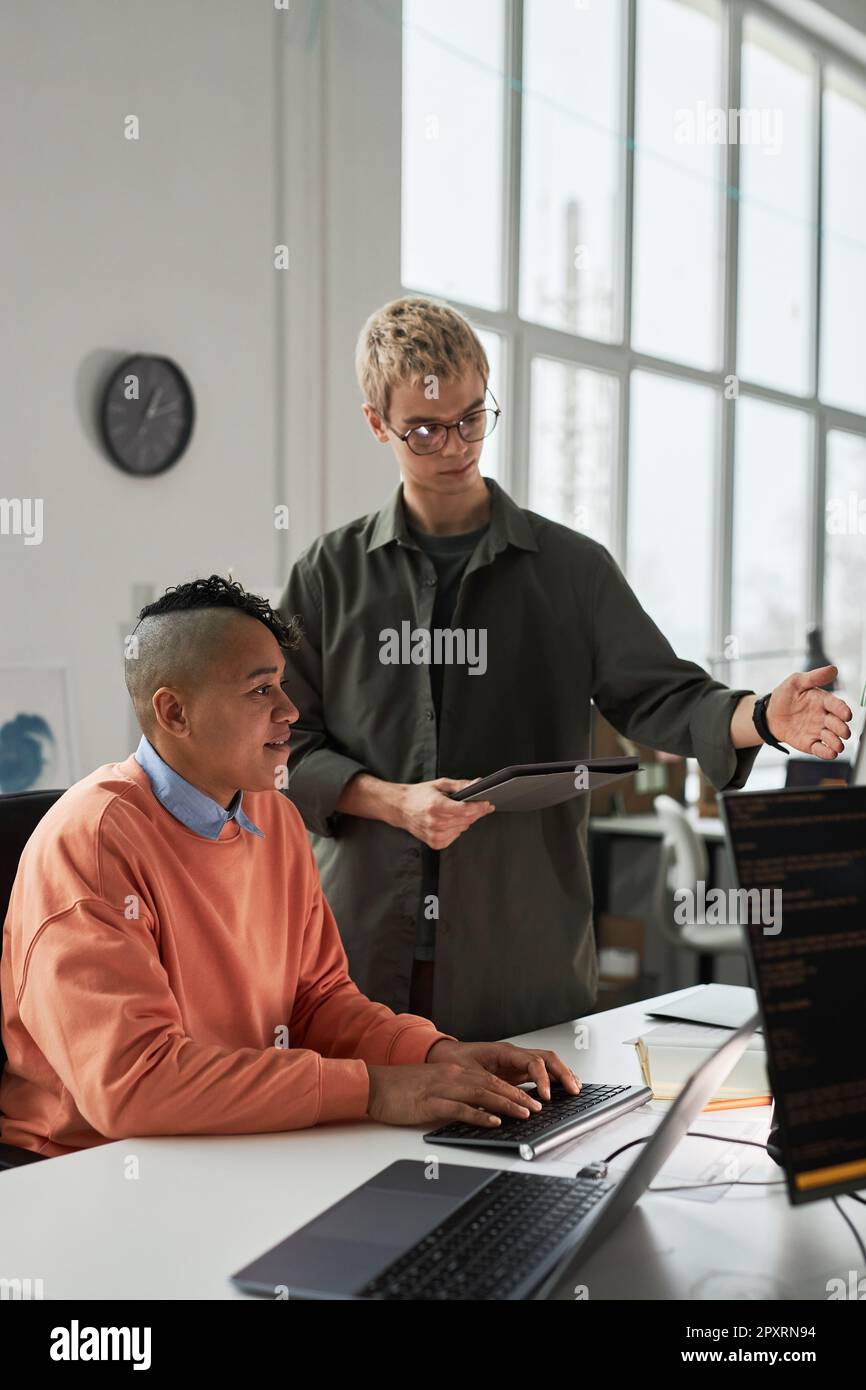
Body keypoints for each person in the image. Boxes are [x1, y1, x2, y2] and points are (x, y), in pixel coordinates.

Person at [278, 294, 853, 1040]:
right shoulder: (328, 575)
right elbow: (282, 748)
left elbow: (661, 696)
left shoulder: (571, 571)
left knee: (527, 1149)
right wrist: (394, 802)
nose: (456, 447)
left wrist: (759, 718)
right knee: (344, 1158)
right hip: (355, 952)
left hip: (522, 958)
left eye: (472, 418)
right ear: (376, 422)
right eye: (425, 430)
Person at [0, 576, 579, 1157]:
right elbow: (134, 1085)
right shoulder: (92, 843)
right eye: (260, 691)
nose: (290, 710)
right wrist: (374, 1089)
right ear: (174, 712)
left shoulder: (272, 814)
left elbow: (318, 1001)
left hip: (231, 1140)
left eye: (282, 684)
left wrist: (432, 1054)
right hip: (90, 1167)